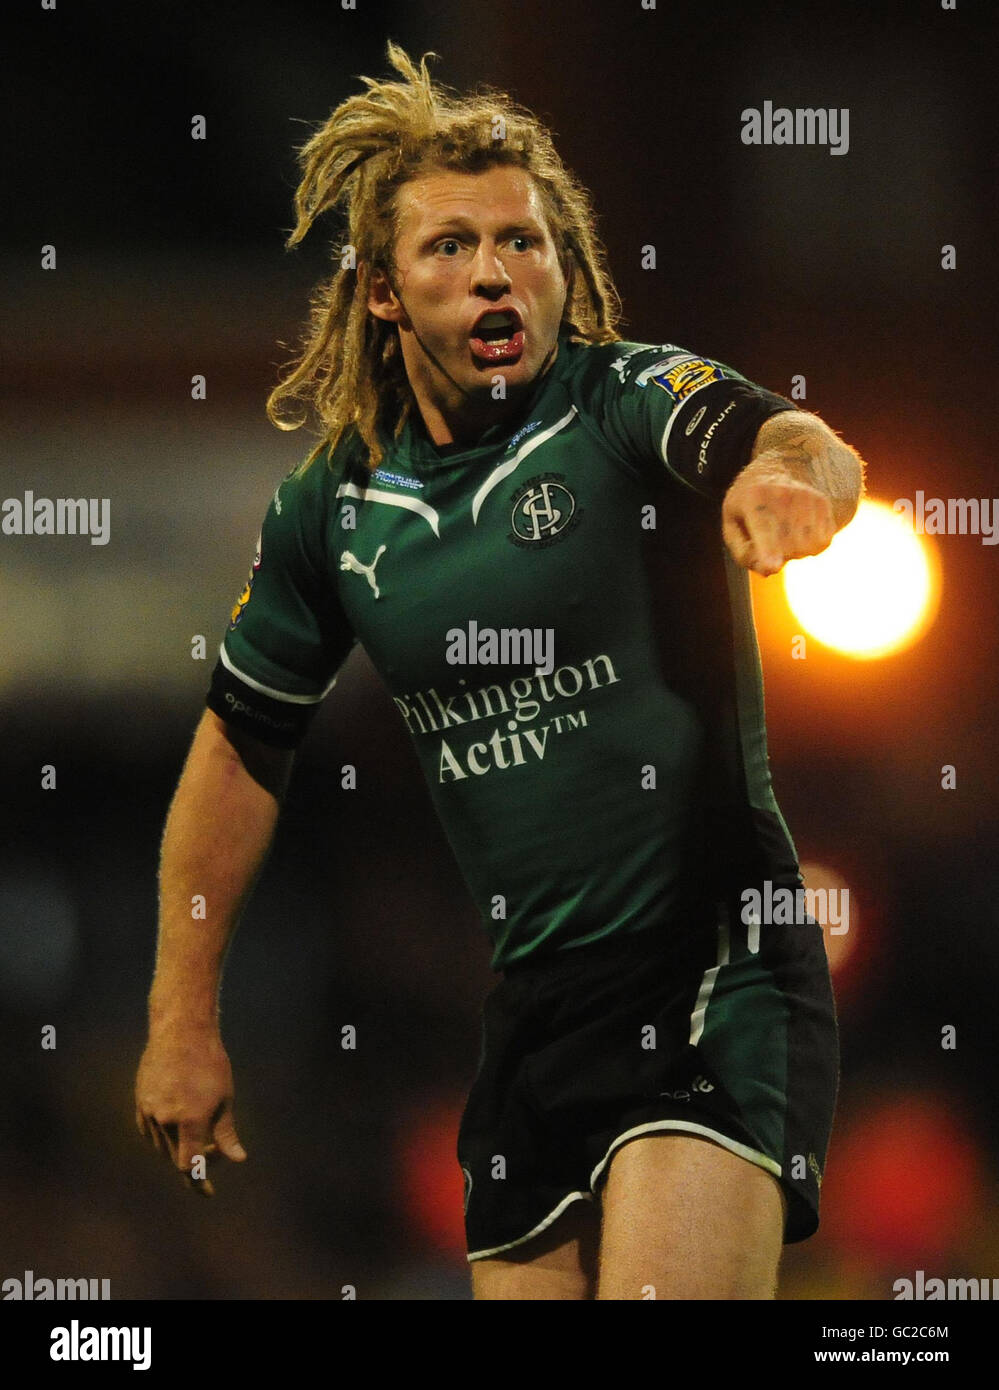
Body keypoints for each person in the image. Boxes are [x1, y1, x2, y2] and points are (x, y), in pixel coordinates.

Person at [135, 42, 865, 1300]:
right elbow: (241, 747)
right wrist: (180, 1018)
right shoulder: (335, 509)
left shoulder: (624, 403)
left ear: (563, 267)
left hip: (716, 967)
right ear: (378, 291)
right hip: (535, 1011)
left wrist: (794, 479)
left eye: (524, 243)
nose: (496, 273)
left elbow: (791, 435)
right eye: (451, 246)